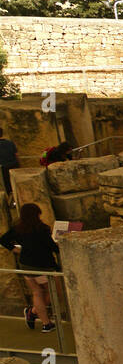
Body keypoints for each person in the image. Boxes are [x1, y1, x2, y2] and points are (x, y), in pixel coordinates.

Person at [0, 203, 61, 333]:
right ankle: (33, 313)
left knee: (37, 292)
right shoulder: (42, 229)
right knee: (53, 290)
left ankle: (45, 323)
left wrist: (16, 250)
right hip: (43, 266)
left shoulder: (18, 228)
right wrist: (62, 246)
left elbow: (3, 239)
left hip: (26, 265)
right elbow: (52, 247)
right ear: (36, 214)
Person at [0, 128, 17, 203]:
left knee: (7, 187)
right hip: (14, 166)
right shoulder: (10, 143)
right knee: (14, 185)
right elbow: (16, 155)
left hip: (3, 168)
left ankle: (12, 202)